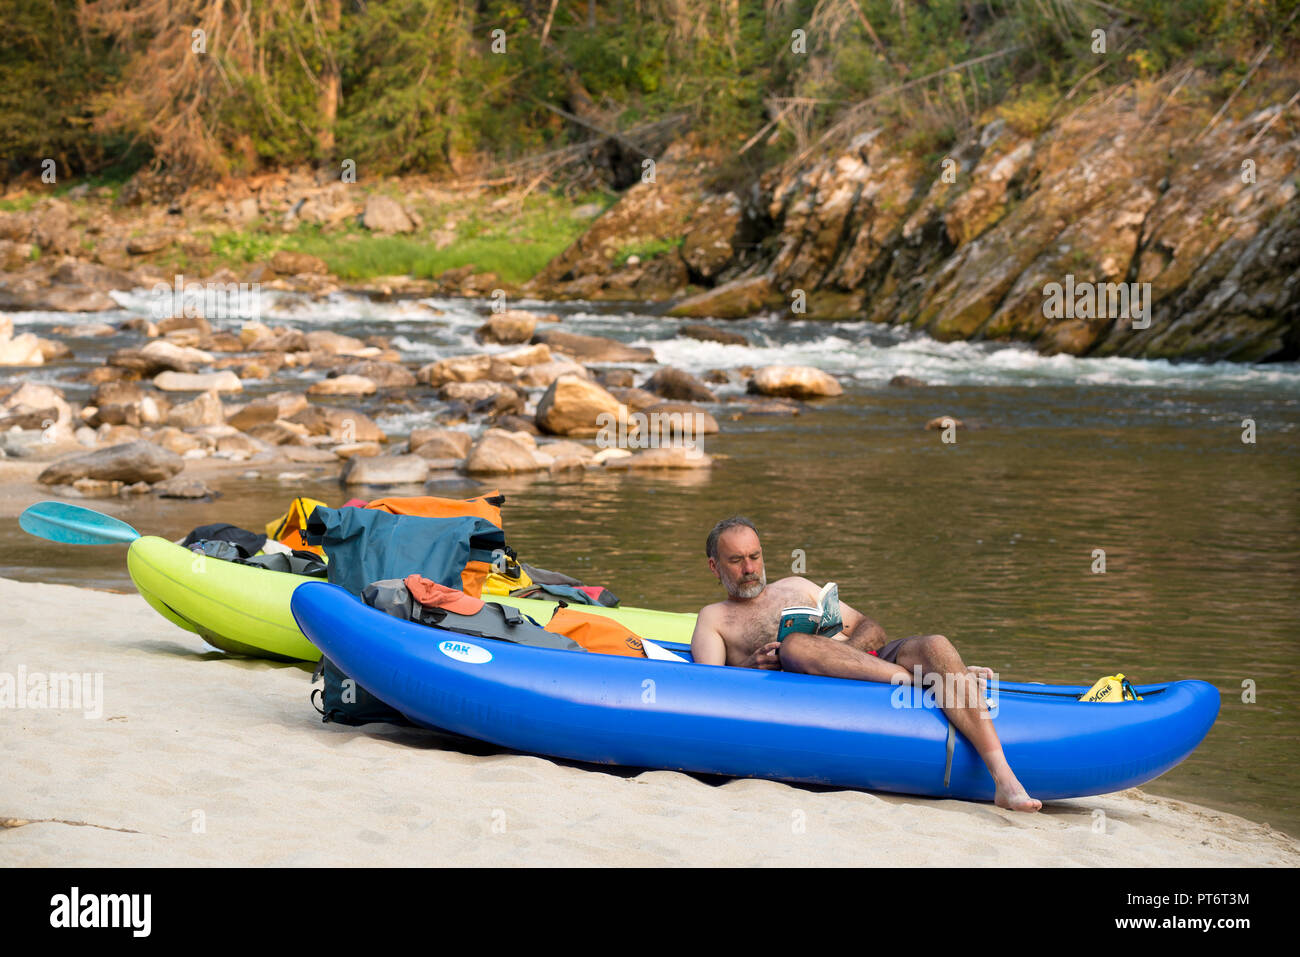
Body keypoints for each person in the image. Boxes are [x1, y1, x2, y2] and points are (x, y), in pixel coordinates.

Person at [689, 516, 1042, 812]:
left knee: (935, 644)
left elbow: (872, 628)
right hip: (807, 682)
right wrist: (751, 666)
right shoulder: (714, 619)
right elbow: (711, 689)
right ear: (713, 566)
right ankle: (937, 681)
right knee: (795, 646)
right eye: (736, 560)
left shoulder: (796, 586)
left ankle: (1004, 778)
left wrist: (849, 652)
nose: (750, 569)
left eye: (755, 556)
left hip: (867, 666)